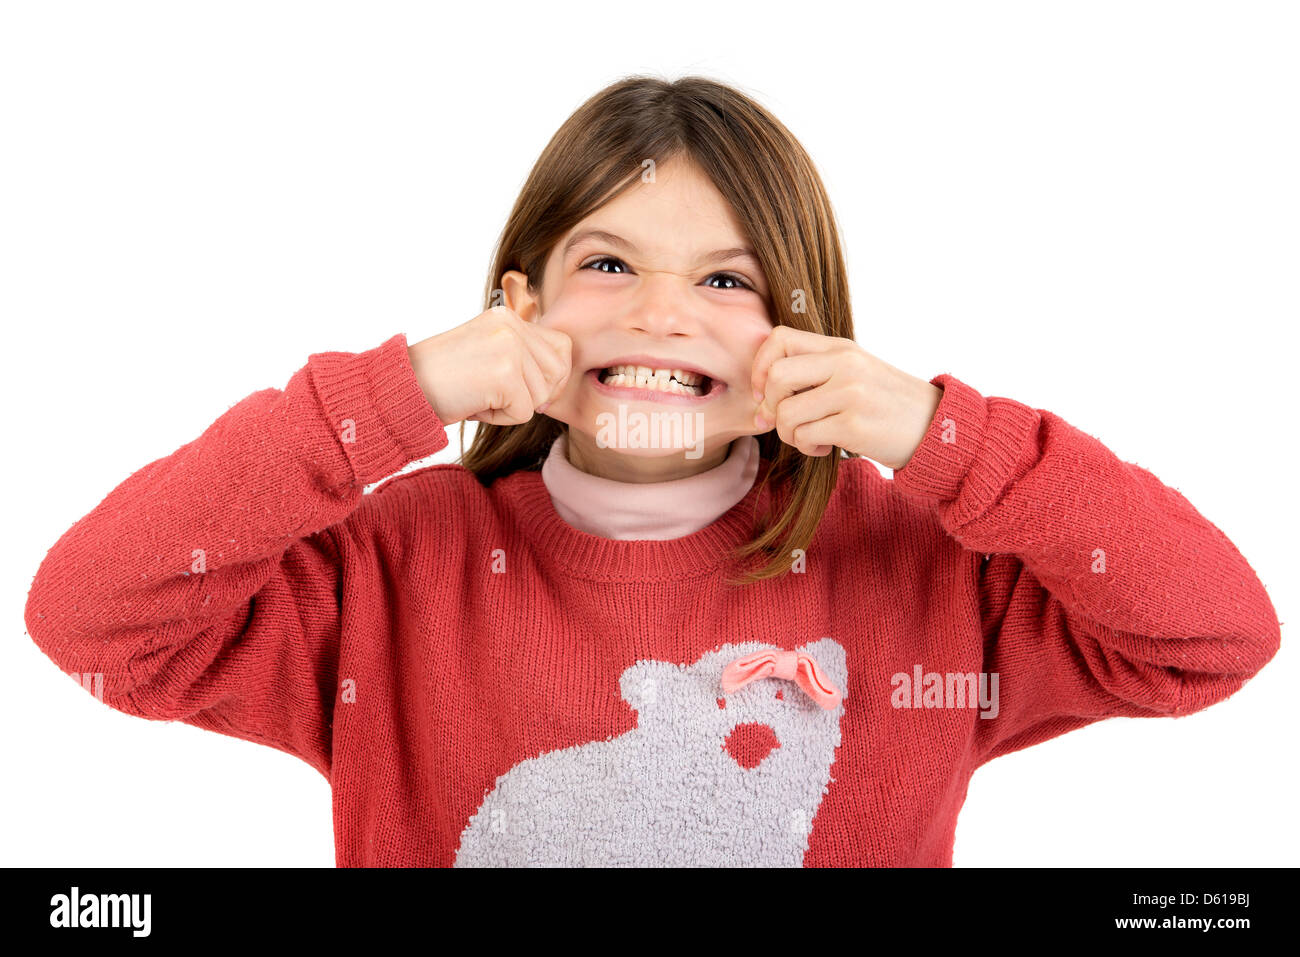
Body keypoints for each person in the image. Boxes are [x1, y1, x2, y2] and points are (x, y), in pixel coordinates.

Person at [24, 75, 1280, 866]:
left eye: (725, 280)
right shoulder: (394, 564)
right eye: (609, 265)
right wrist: (388, 397)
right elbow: (93, 618)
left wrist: (941, 432)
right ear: (514, 305)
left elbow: (1208, 636)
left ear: (803, 325)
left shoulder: (916, 569)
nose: (662, 316)